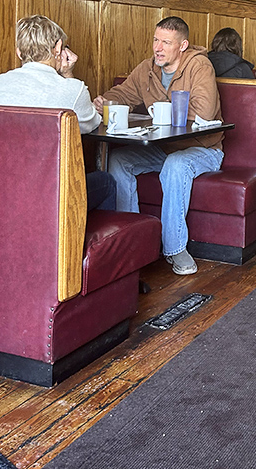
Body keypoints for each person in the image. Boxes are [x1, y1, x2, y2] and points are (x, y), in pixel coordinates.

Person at [94, 16, 223, 276]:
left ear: (183, 45)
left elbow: (206, 112)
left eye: (166, 42)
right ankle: (132, 240)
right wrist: (104, 102)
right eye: (156, 40)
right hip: (164, 148)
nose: (158, 48)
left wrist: (162, 112)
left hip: (204, 149)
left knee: (176, 165)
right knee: (118, 160)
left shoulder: (200, 66)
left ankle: (175, 249)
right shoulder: (147, 69)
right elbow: (124, 93)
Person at [0, 14, 116, 211]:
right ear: (58, 48)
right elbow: (91, 123)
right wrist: (68, 75)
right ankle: (80, 242)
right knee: (106, 182)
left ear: (19, 53)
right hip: (48, 197)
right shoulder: (72, 89)